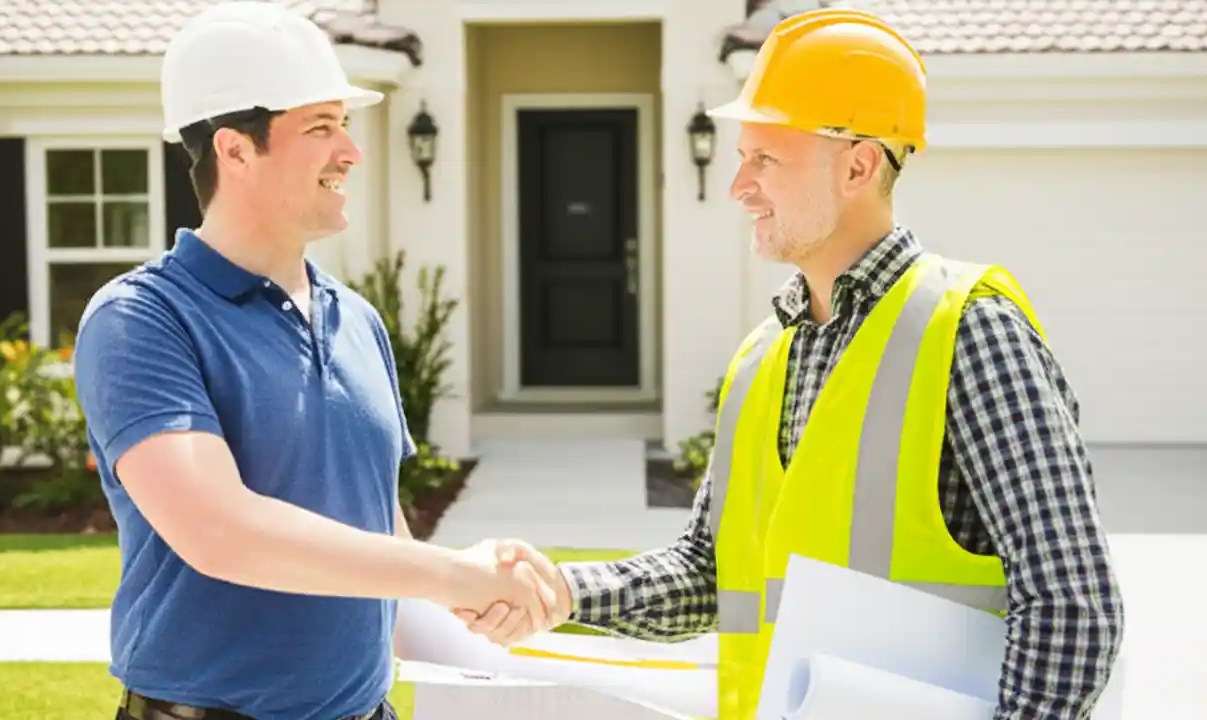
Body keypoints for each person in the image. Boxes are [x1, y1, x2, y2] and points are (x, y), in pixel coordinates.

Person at [461, 8, 1125, 719]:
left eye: (765, 159)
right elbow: (709, 576)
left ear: (859, 164)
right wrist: (564, 592)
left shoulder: (971, 332)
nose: (738, 187)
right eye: (742, 157)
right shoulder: (762, 358)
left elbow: (1071, 600)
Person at [71, 4, 553, 720]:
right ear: (235, 151)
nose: (351, 153)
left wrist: (486, 612)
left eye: (346, 127)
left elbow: (377, 538)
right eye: (321, 128)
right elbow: (219, 533)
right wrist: (454, 575)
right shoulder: (143, 319)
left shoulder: (356, 320)